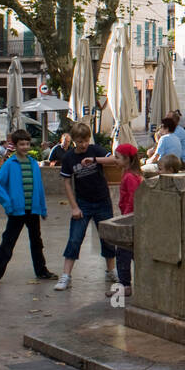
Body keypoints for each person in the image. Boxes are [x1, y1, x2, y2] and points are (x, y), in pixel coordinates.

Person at [0, 131, 56, 286]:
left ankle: (41, 271)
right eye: (22, 144)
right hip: (17, 211)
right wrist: (8, 204)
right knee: (8, 243)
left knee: (37, 242)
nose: (25, 147)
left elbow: (39, 188)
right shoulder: (9, 164)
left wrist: (42, 209)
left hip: (33, 210)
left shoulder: (33, 163)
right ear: (15, 146)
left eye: (27, 144)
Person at [55, 122, 120, 291]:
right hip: (83, 203)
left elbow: (115, 159)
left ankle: (111, 270)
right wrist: (74, 206)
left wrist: (95, 160)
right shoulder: (69, 158)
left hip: (102, 200)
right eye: (79, 141)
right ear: (73, 140)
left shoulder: (95, 150)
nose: (83, 145)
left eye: (85, 141)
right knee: (75, 238)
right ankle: (66, 275)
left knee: (107, 238)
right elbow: (67, 183)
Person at [109, 143, 143, 298]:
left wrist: (126, 218)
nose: (115, 160)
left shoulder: (130, 177)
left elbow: (133, 199)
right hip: (132, 219)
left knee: (122, 252)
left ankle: (124, 285)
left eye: (117, 157)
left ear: (127, 159)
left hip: (129, 220)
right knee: (135, 253)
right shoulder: (131, 174)